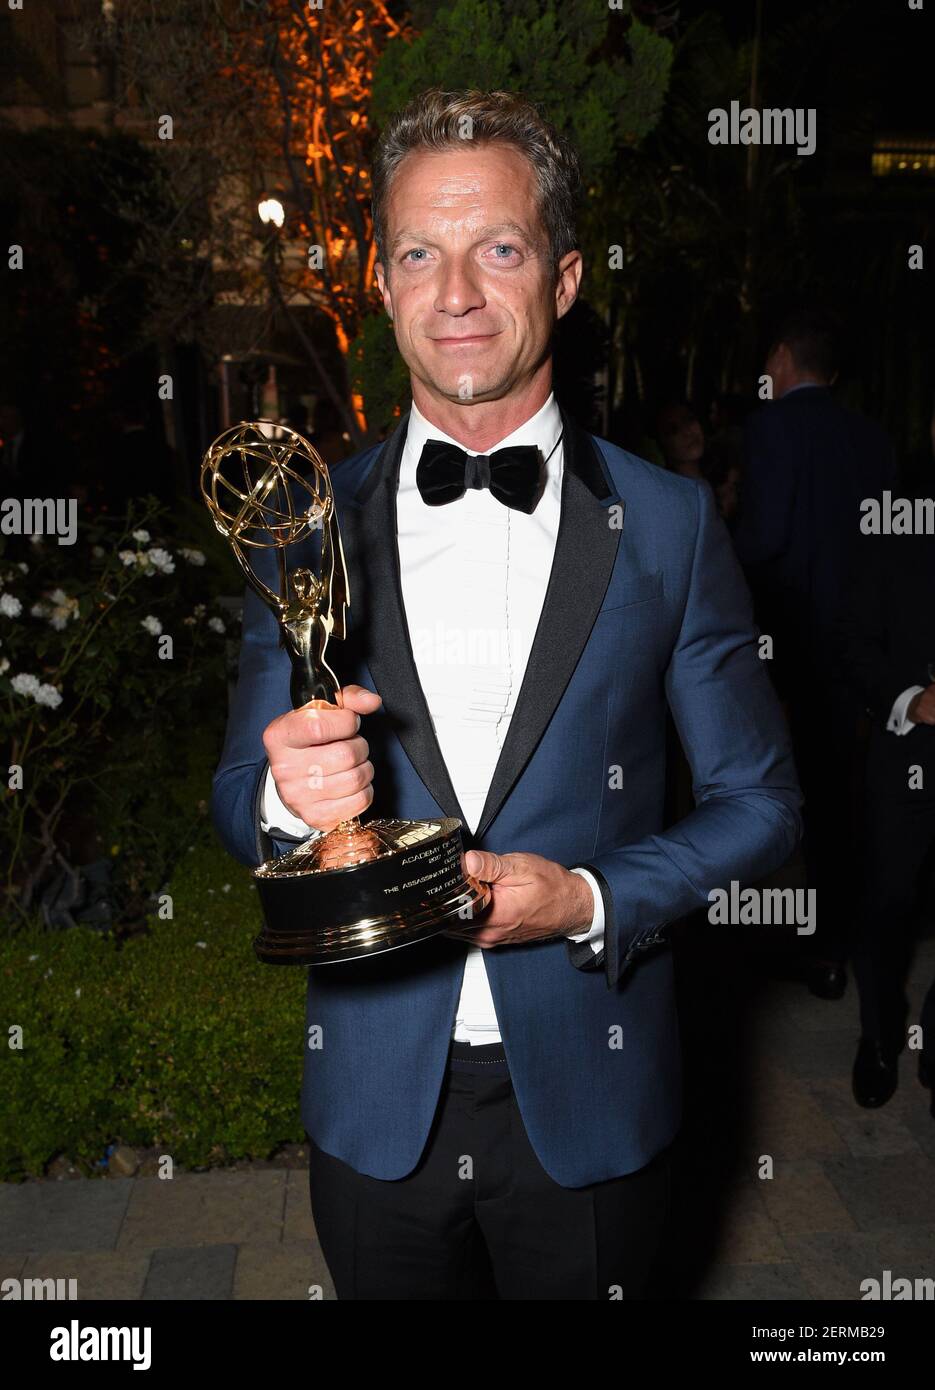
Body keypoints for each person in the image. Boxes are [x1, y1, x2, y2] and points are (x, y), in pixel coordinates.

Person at [212, 87, 801, 1301]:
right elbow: (234, 793)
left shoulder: (671, 527)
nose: (457, 294)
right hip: (375, 1102)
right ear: (381, 283)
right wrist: (285, 798)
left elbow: (759, 800)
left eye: (499, 248)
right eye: (421, 254)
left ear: (566, 276)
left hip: (591, 1093)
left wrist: (589, 895)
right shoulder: (303, 522)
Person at [733, 307, 895, 1000]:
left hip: (792, 641)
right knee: (846, 791)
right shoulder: (871, 435)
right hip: (865, 643)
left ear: (781, 357)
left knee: (777, 790)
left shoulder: (771, 427)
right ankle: (847, 936)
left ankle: (809, 937)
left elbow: (763, 540)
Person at [834, 410, 935, 1112]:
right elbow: (849, 638)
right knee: (888, 902)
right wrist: (911, 699)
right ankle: (877, 1036)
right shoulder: (893, 516)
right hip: (909, 752)